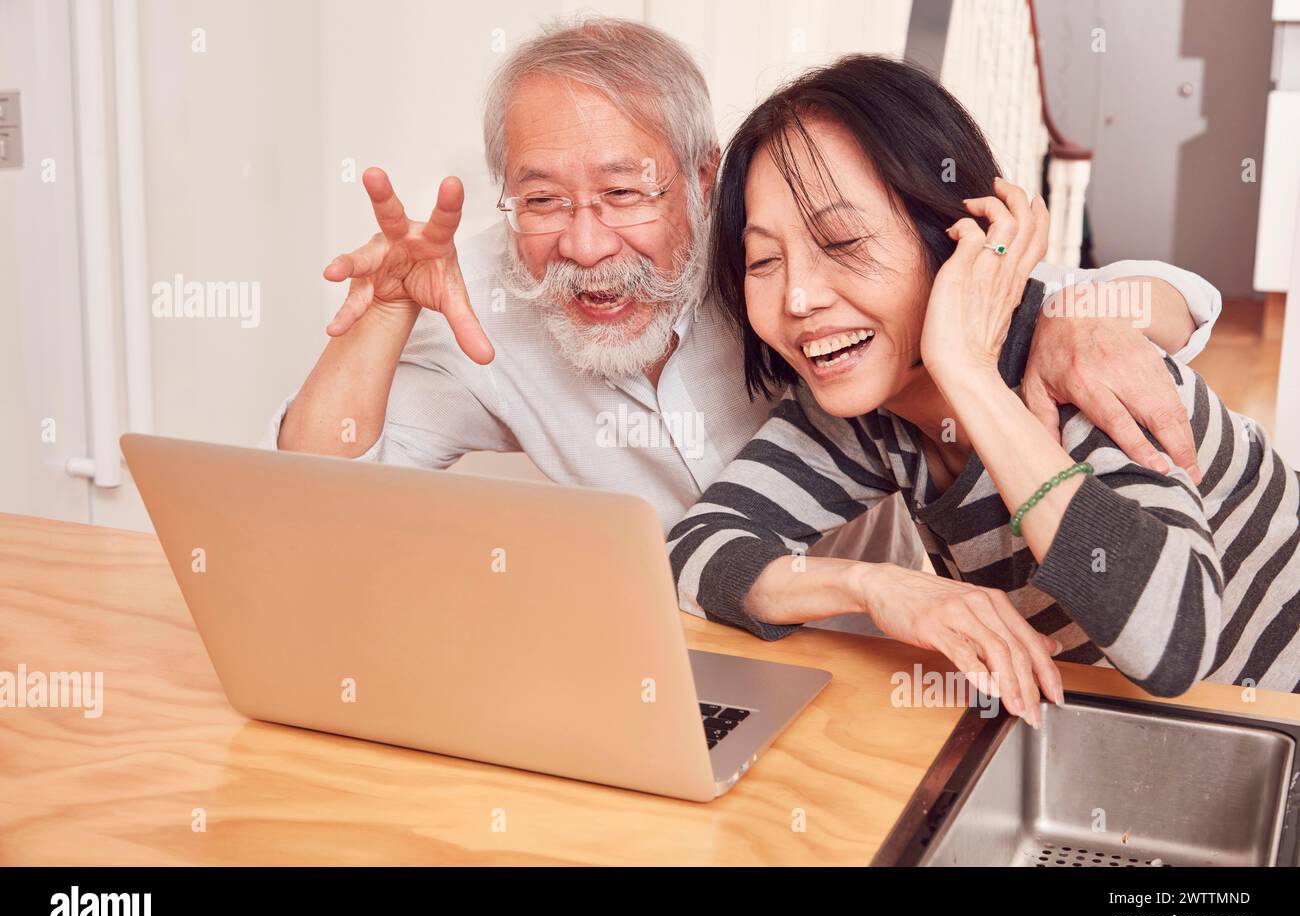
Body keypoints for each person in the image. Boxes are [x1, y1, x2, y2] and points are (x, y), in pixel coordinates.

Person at [266, 16, 1221, 638]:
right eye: (542, 199)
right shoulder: (484, 291)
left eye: (625, 191)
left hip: (884, 654)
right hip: (694, 638)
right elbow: (316, 494)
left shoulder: (792, 275)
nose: (587, 243)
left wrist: (1069, 324)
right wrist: (383, 312)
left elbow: (1152, 294)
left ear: (703, 175)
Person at [668, 54, 1300, 723]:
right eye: (763, 260)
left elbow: (1172, 638)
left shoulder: (1086, 368)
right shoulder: (862, 403)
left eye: (843, 241)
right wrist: (877, 586)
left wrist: (965, 371)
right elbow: (695, 550)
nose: (797, 297)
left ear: (951, 235)